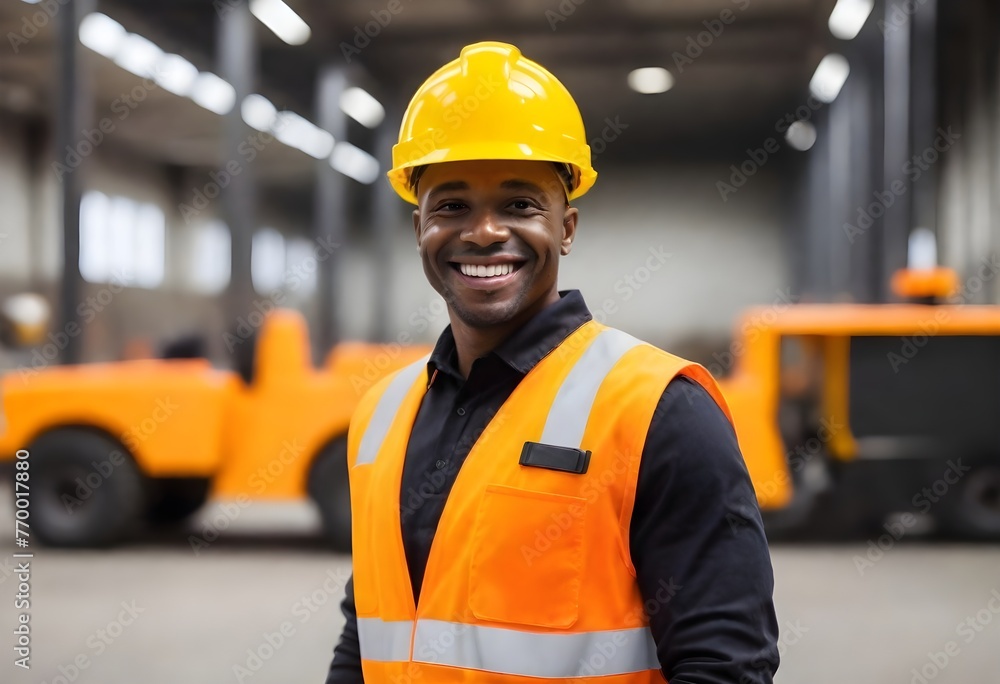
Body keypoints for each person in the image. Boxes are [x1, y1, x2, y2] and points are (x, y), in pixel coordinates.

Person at [325, 41, 779, 684]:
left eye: (519, 204)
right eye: (451, 205)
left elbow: (724, 662)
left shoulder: (659, 410)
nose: (483, 231)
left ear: (566, 227)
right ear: (418, 228)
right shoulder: (382, 413)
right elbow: (366, 627)